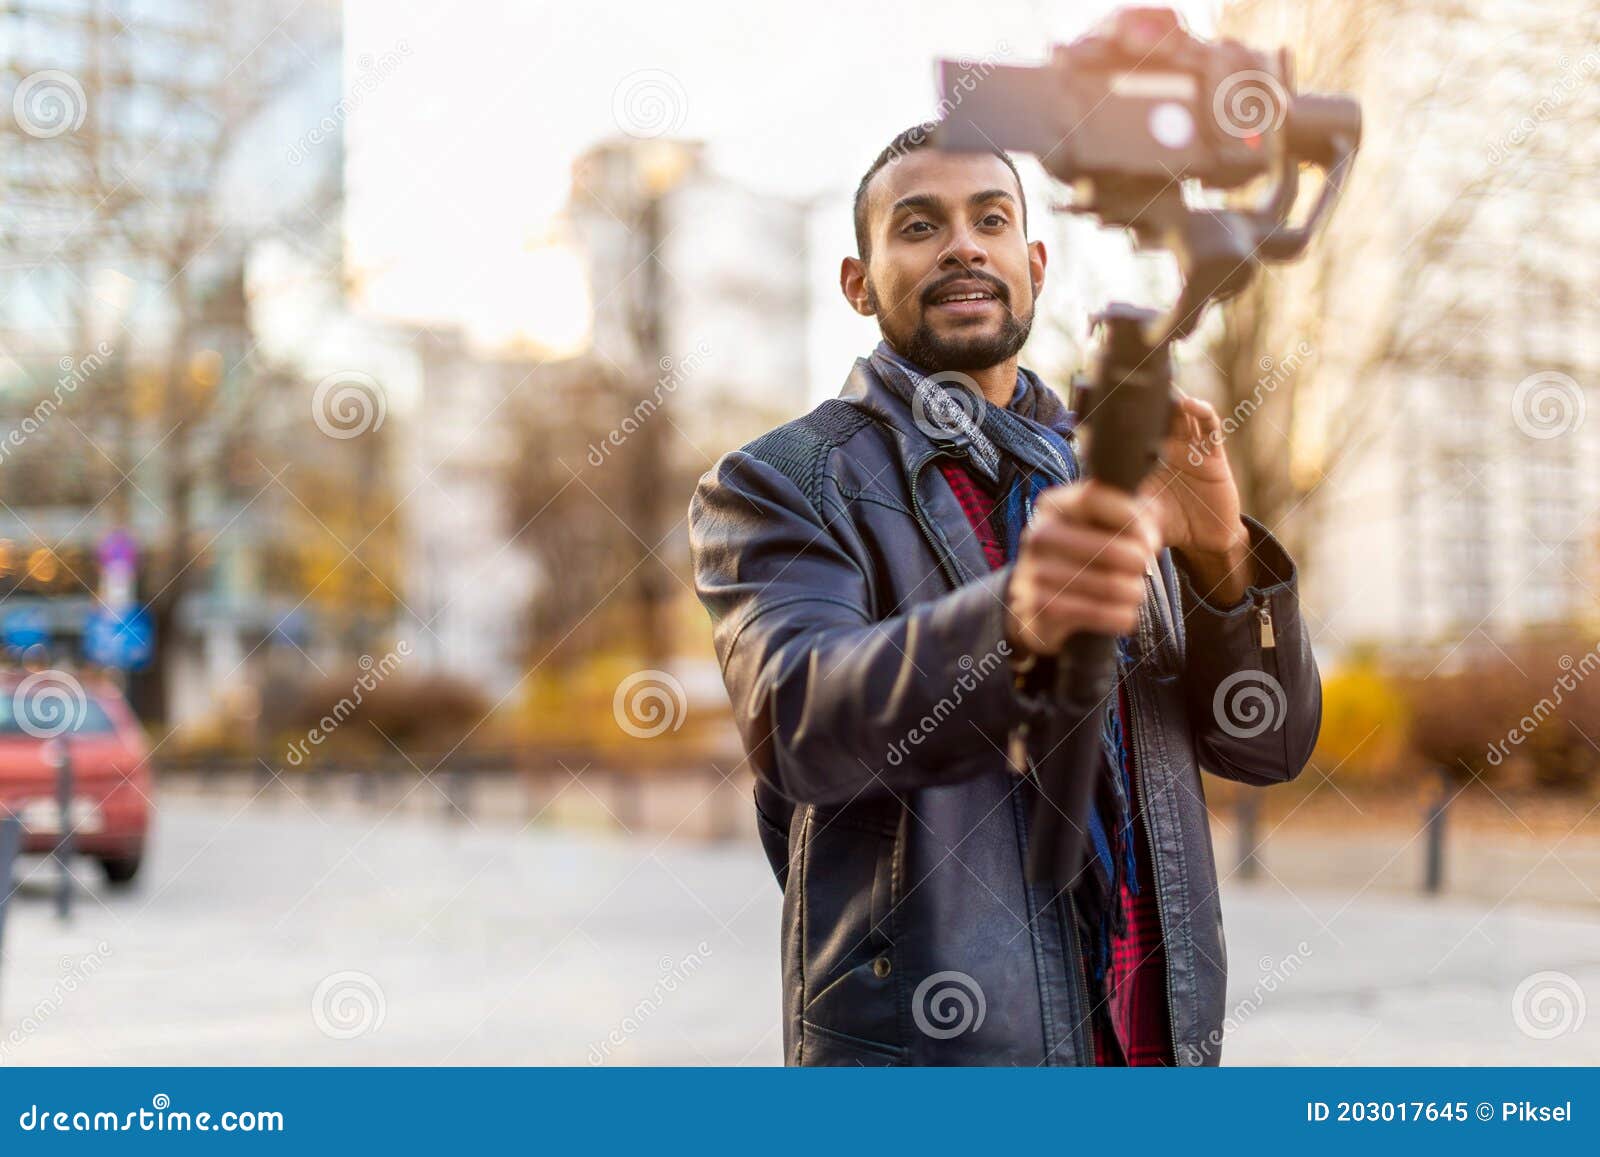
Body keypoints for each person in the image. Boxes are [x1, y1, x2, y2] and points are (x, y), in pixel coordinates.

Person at [687, 123, 1321, 1066]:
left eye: (991, 220)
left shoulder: (1113, 466)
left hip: (1158, 1043)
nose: (963, 246)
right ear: (858, 284)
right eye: (919, 226)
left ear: (1034, 265)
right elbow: (798, 722)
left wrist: (1221, 552)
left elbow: (1269, 745)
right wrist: (1017, 620)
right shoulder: (783, 479)